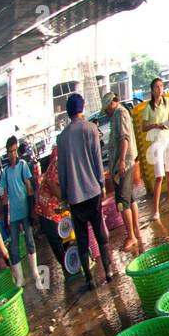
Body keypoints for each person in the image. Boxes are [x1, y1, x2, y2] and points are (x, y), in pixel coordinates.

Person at [56, 94, 114, 287]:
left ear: (68, 111)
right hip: (92, 191)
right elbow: (98, 162)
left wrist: (65, 195)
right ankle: (108, 271)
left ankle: (89, 279)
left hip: (74, 196)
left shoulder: (62, 138)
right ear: (82, 108)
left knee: (81, 238)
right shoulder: (91, 129)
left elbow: (62, 170)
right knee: (99, 232)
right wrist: (101, 184)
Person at [102, 92, 140, 252]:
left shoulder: (120, 113)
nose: (106, 113)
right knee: (130, 198)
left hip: (123, 164)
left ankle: (131, 235)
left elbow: (124, 138)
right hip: (124, 162)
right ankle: (135, 230)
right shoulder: (118, 114)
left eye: (106, 109)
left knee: (122, 201)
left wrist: (122, 161)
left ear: (112, 103)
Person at [0, 137, 37, 288]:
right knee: (14, 246)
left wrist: (32, 209)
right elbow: (4, 196)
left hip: (25, 210)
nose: (13, 154)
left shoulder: (23, 166)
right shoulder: (6, 173)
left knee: (29, 240)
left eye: (15, 151)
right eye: (10, 152)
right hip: (13, 215)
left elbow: (29, 187)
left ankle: (34, 272)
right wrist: (5, 215)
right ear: (7, 153)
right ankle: (20, 278)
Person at [141, 77, 169, 219]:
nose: (160, 89)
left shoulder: (167, 101)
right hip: (157, 142)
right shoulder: (148, 108)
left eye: (161, 86)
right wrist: (155, 125)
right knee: (159, 176)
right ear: (152, 90)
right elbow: (143, 127)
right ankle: (156, 211)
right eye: (157, 87)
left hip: (168, 138)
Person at [32, 145, 70, 280]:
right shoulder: (59, 164)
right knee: (57, 239)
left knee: (65, 236)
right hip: (47, 208)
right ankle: (67, 267)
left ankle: (70, 266)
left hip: (54, 207)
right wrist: (64, 198)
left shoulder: (64, 162)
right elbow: (50, 182)